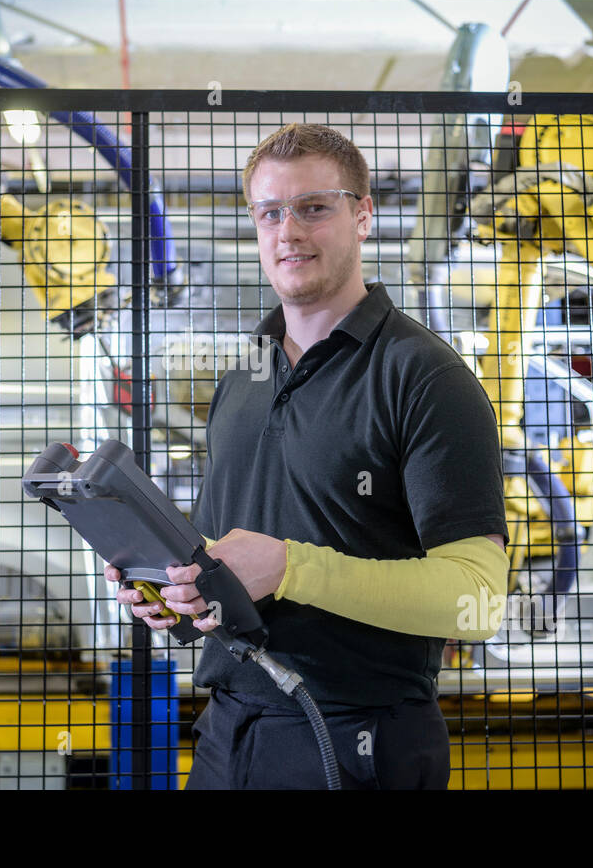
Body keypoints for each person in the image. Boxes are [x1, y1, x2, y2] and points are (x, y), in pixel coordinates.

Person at [104, 122, 510, 789]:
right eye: (270, 212)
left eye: (314, 207)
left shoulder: (422, 375)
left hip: (357, 741)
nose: (288, 231)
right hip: (227, 732)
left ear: (363, 215)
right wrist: (175, 593)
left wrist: (294, 567)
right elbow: (228, 561)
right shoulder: (243, 379)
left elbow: (479, 599)